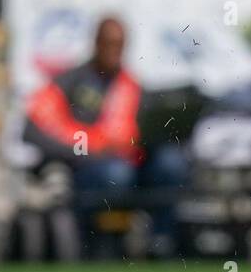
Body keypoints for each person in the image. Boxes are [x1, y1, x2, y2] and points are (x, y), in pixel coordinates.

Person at [23, 17, 190, 259]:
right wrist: (87, 150)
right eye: (109, 44)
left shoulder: (132, 86)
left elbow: (143, 132)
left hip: (131, 162)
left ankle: (161, 242)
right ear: (96, 43)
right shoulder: (70, 82)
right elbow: (33, 130)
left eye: (120, 45)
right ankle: (107, 243)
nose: (115, 51)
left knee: (170, 163)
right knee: (116, 173)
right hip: (87, 167)